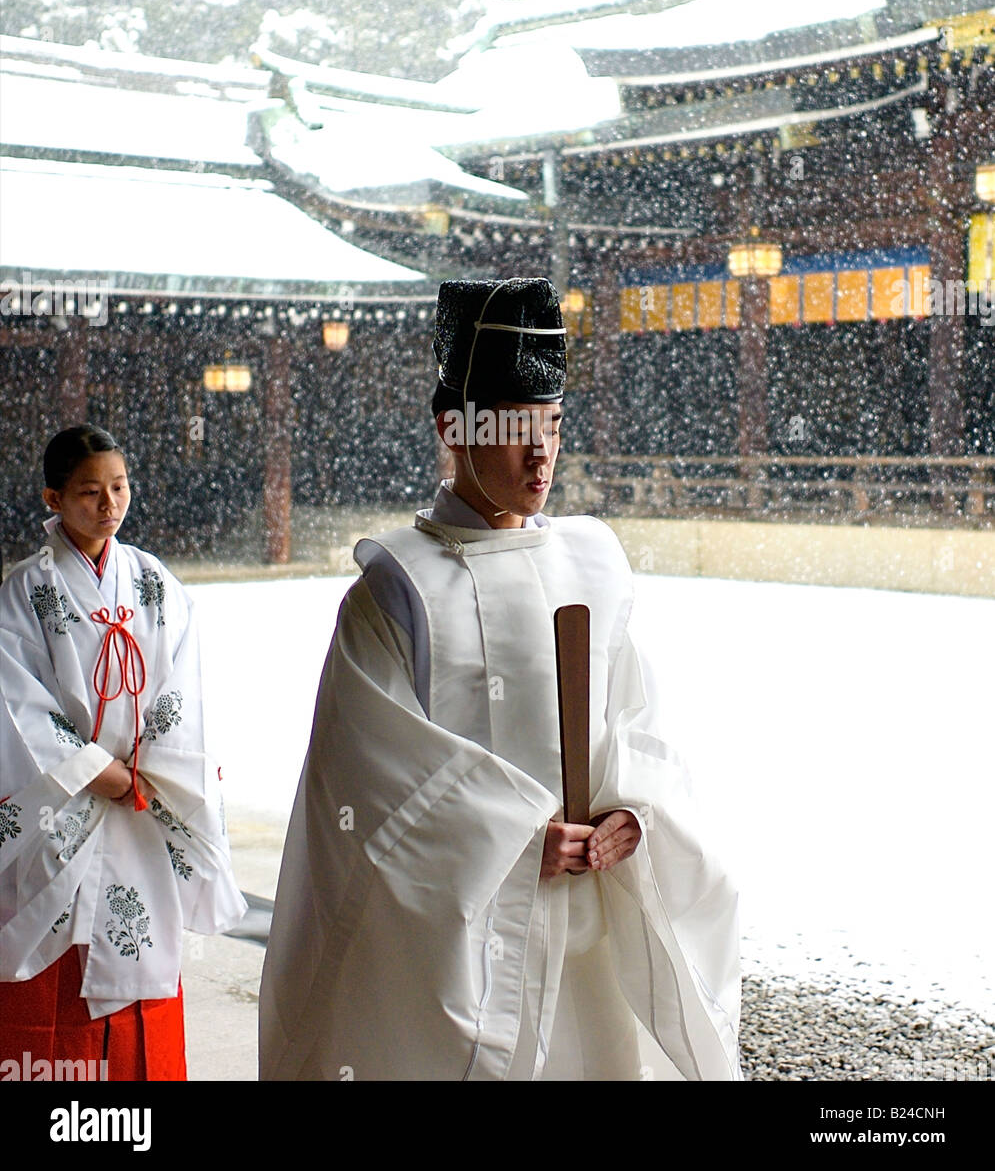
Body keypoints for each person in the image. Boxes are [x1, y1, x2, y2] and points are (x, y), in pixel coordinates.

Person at [259, 278, 740, 1081]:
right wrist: (512, 843)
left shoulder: (593, 560)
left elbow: (632, 721)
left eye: (551, 425)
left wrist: (636, 812)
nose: (540, 453)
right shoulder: (397, 589)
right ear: (454, 428)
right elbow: (367, 779)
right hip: (463, 930)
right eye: (514, 429)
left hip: (591, 917)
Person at [0, 425, 245, 1080]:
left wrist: (153, 769)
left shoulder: (153, 581)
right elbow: (15, 701)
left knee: (141, 958)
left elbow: (181, 686)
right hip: (67, 803)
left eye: (118, 487)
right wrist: (94, 770)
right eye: (88, 492)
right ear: (53, 496)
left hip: (143, 797)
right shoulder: (27, 590)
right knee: (52, 977)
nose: (108, 504)